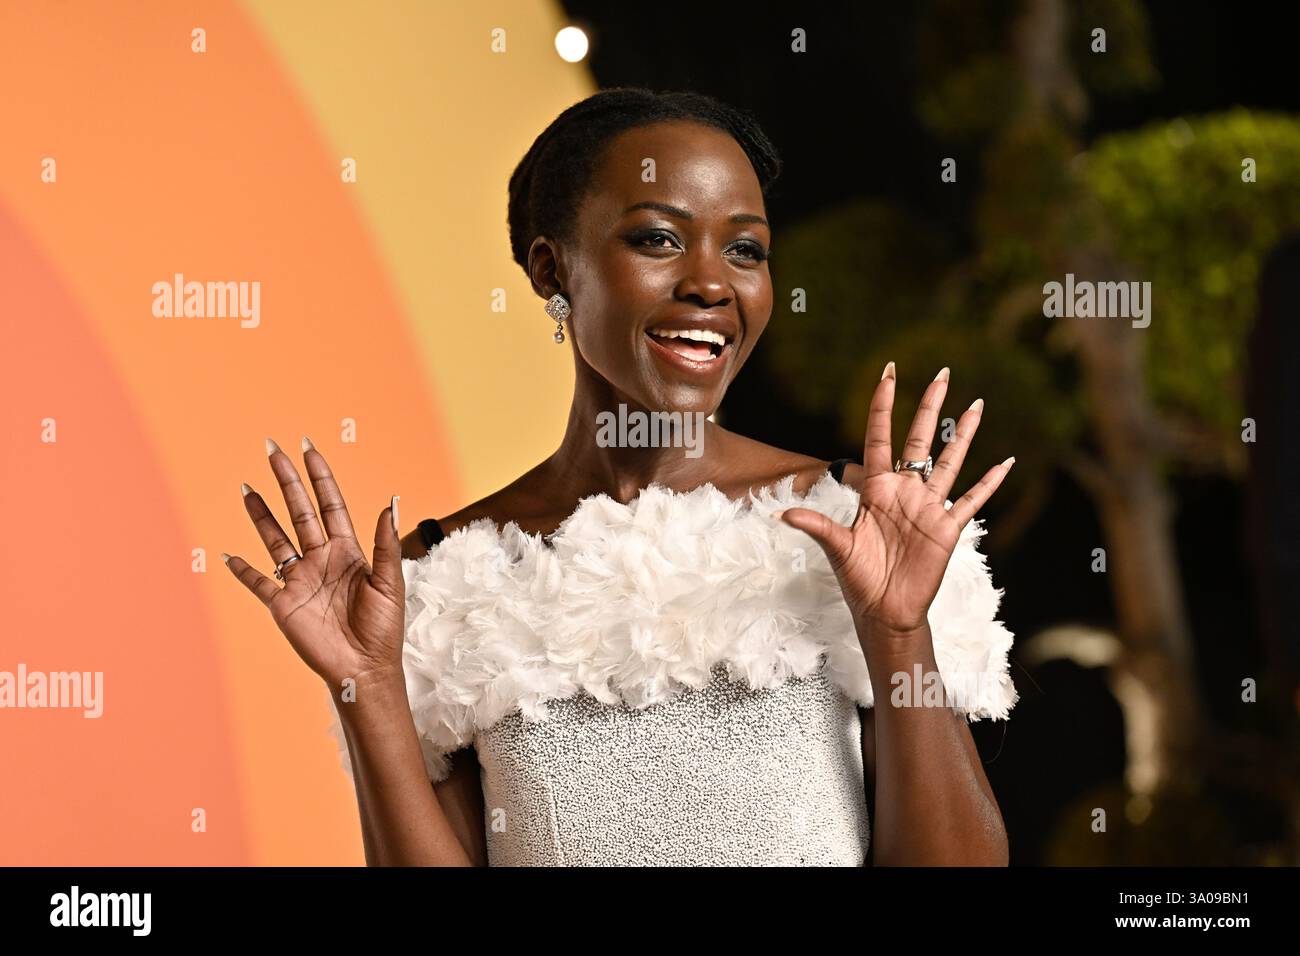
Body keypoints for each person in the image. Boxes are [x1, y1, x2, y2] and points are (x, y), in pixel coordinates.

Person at [223, 88, 1018, 866]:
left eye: (745, 250)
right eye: (658, 240)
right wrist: (369, 689)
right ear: (551, 269)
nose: (712, 284)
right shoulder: (452, 575)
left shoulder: (850, 529)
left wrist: (899, 632)